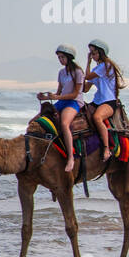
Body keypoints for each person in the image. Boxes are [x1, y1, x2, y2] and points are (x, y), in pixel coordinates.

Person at [36, 44, 84, 173]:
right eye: (59, 57)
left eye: (62, 57)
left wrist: (57, 96)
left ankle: (70, 158)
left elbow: (75, 94)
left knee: (64, 123)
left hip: (73, 102)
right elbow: (59, 92)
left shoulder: (78, 72)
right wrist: (45, 97)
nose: (60, 60)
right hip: (62, 101)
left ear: (69, 57)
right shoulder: (61, 73)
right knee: (36, 120)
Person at [83, 39, 126, 162]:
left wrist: (88, 62)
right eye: (91, 53)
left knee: (97, 117)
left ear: (101, 53)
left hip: (108, 102)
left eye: (94, 53)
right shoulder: (97, 70)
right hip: (97, 101)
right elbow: (85, 89)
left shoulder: (105, 66)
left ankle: (106, 149)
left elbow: (87, 76)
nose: (92, 55)